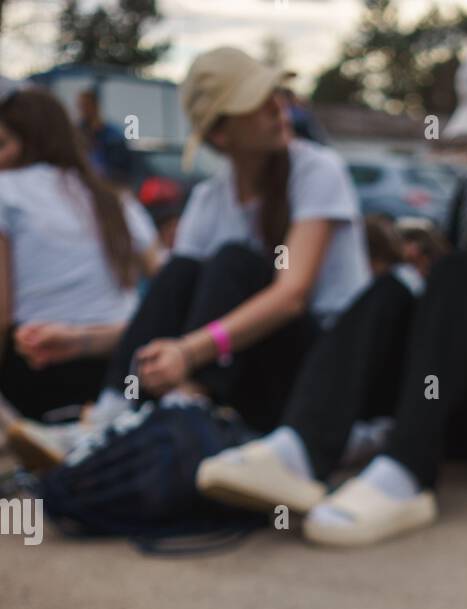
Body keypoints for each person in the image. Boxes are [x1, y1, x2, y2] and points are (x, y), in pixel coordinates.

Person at [194, 33, 467, 547]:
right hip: (459, 405)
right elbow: (457, 312)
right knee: (394, 289)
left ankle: (407, 473)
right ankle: (299, 449)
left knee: (456, 273)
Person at [12, 47, 371, 468]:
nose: (279, 108)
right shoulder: (209, 199)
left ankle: (193, 406)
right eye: (259, 102)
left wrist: (189, 354)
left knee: (233, 261)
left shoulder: (316, 170)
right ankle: (112, 409)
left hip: (325, 364)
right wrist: (82, 341)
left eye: (278, 95)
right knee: (180, 270)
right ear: (221, 133)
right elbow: (169, 310)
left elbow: (292, 295)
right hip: (250, 367)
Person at [0, 84, 160, 424]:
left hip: (39, 367)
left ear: (30, 142)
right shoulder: (114, 199)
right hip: (123, 372)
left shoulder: (6, 191)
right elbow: (165, 282)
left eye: (1, 144)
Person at [77, 87, 135, 187]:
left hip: (106, 186)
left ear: (95, 106)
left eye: (85, 105)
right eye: (80, 106)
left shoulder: (113, 135)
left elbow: (120, 169)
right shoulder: (78, 131)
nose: (82, 110)